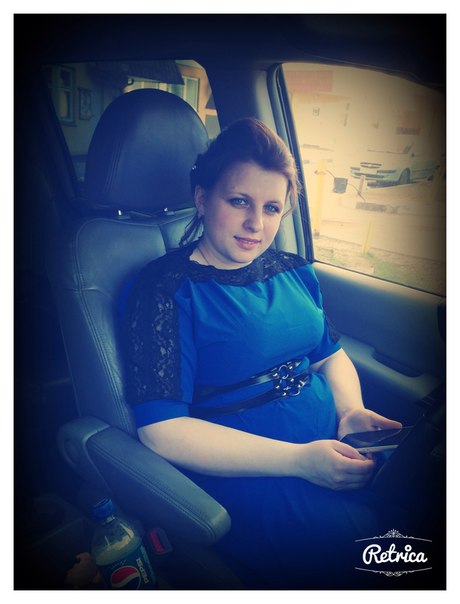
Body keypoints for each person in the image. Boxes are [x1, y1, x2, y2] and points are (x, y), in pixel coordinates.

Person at [121, 118, 406, 589]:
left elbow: (329, 355)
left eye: (272, 207)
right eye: (239, 201)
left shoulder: (294, 270)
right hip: (251, 472)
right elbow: (162, 431)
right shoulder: (164, 290)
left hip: (334, 445)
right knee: (368, 558)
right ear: (202, 198)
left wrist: (351, 412)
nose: (257, 223)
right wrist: (300, 461)